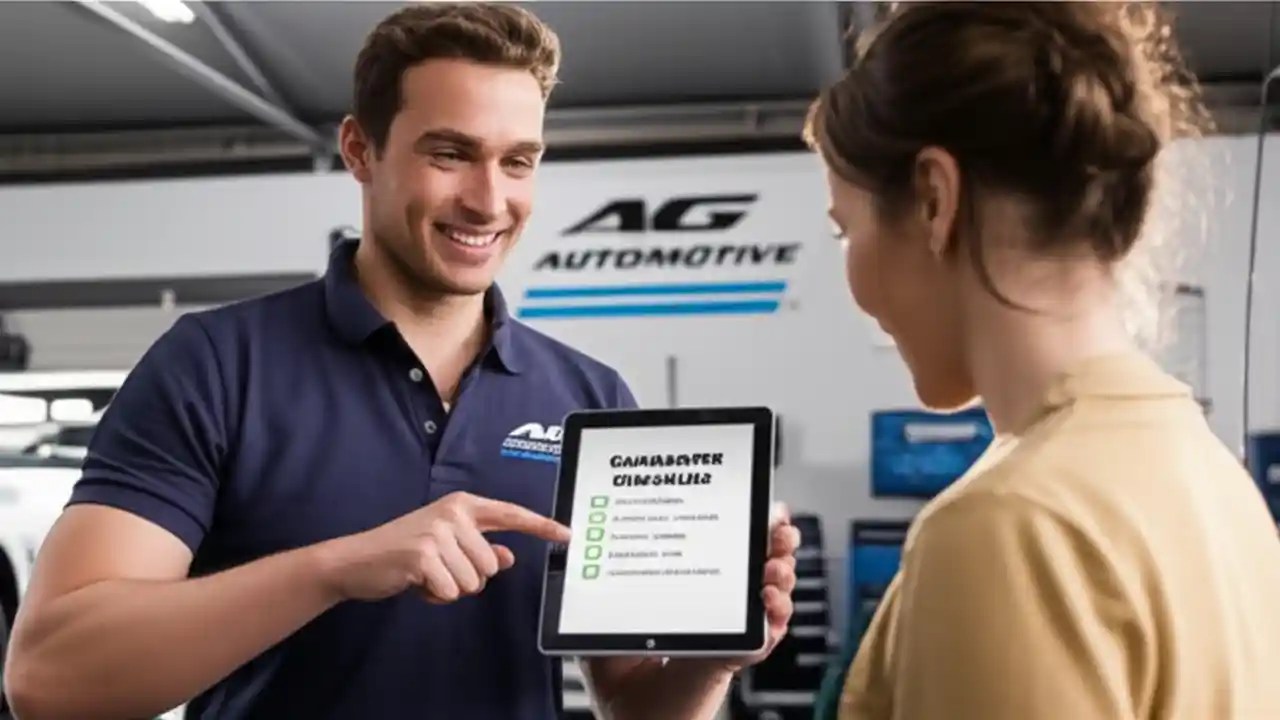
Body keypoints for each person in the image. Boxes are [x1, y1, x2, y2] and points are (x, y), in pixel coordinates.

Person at [3, 4, 800, 719]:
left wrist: (708, 664)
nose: (490, 201)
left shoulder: (589, 396)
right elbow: (49, 679)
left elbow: (631, 705)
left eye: (519, 161)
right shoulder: (214, 364)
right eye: (451, 153)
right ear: (360, 150)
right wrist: (337, 569)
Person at [805, 3, 1280, 719]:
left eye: (848, 233)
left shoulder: (1006, 527)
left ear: (935, 200)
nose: (854, 280)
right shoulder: (1213, 480)